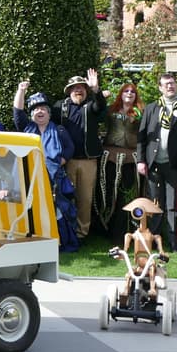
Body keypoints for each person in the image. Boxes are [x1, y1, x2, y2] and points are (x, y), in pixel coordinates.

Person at [137, 72, 177, 252]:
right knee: (156, 203)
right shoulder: (151, 108)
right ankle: (155, 239)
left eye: (172, 83)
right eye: (166, 84)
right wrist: (141, 160)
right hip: (154, 163)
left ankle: (174, 242)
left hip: (175, 165)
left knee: (173, 204)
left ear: (176, 86)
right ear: (160, 88)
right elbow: (141, 137)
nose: (169, 87)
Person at [13, 82, 77, 251]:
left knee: (57, 211)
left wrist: (58, 162)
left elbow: (70, 149)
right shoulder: (26, 128)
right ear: (32, 114)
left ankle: (60, 242)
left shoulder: (60, 130)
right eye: (35, 110)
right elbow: (17, 112)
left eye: (43, 109)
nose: (39, 112)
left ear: (49, 113)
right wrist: (21, 90)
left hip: (54, 181)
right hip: (30, 180)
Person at [54, 70, 107, 240]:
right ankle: (66, 230)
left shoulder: (91, 105)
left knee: (85, 199)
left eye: (82, 88)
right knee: (66, 197)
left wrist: (97, 90)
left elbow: (101, 106)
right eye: (74, 88)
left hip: (87, 161)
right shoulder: (59, 107)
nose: (78, 91)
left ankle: (82, 233)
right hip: (66, 161)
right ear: (69, 91)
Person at [98, 83, 143, 246]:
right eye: (126, 91)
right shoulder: (111, 110)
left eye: (132, 91)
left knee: (128, 193)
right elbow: (96, 111)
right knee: (109, 192)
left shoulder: (140, 112)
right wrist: (99, 94)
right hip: (110, 156)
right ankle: (106, 228)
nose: (129, 93)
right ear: (121, 94)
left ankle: (126, 229)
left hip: (131, 158)